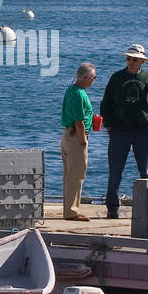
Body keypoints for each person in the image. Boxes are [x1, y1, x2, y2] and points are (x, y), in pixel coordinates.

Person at [100, 43, 148, 219]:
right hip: (120, 131)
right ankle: (112, 208)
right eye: (129, 59)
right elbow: (106, 103)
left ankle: (147, 208)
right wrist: (108, 126)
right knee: (115, 170)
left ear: (142, 62)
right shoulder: (117, 77)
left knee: (147, 171)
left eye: (135, 60)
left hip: (143, 131)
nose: (131, 62)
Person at [60, 62, 97, 221]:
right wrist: (83, 141)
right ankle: (71, 212)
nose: (94, 80)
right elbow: (79, 122)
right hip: (76, 137)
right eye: (93, 77)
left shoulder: (73, 89)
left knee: (70, 175)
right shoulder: (79, 94)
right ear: (85, 77)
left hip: (68, 136)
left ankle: (69, 209)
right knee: (76, 175)